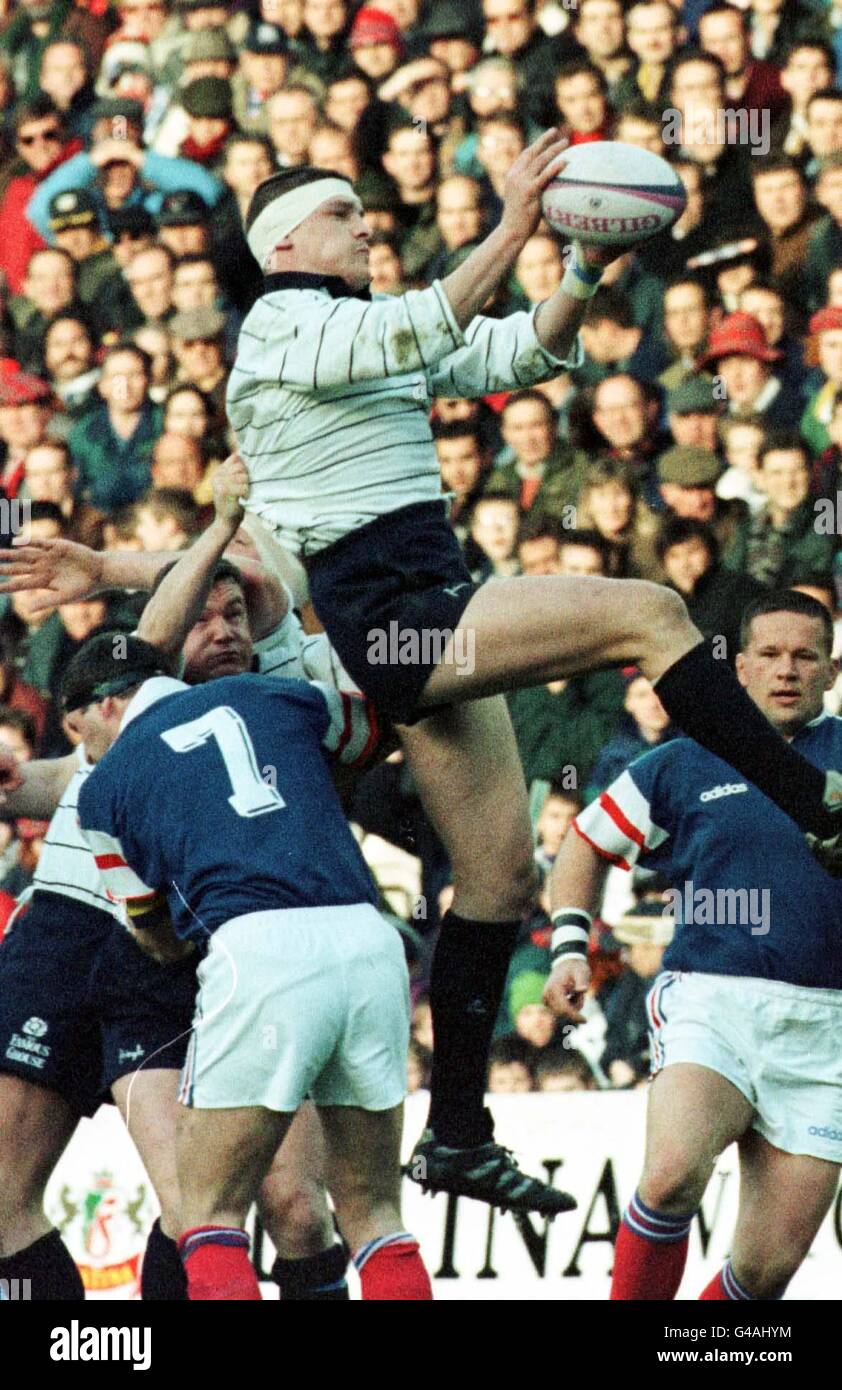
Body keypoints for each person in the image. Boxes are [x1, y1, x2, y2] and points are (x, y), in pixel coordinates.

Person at [224, 142, 842, 1214]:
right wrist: (511, 222)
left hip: (421, 612)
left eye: (366, 208)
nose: (365, 223)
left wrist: (581, 266)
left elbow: (513, 354)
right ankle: (818, 808)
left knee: (500, 880)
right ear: (283, 245)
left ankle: (457, 1132)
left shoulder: (356, 335)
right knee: (648, 614)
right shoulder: (283, 324)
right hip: (399, 614)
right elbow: (419, 322)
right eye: (340, 213)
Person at [70, 632, 431, 1302]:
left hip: (257, 950)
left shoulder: (103, 789)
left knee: (208, 1214)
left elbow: (151, 929)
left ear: (96, 712)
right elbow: (370, 731)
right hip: (369, 937)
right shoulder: (275, 694)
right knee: (375, 1214)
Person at [544, 590, 842, 1301]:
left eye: (805, 656)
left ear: (832, 671)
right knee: (674, 1172)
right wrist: (568, 946)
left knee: (763, 1273)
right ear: (738, 669)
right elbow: (584, 842)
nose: (786, 670)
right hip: (712, 999)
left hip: (828, 1026)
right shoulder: (685, 760)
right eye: (768, 655)